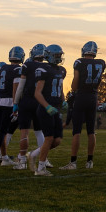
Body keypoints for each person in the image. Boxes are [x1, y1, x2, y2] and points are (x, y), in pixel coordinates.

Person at [64, 41, 106, 170]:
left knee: (76, 131)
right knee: (91, 131)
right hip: (93, 97)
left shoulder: (79, 62)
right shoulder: (101, 63)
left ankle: (73, 162)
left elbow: (74, 86)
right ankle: (89, 161)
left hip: (81, 96)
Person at [29, 44, 66, 176]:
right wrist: (47, 106)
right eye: (57, 55)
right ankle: (40, 169)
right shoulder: (43, 69)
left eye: (60, 55)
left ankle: (33, 154)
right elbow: (37, 93)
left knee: (57, 140)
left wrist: (63, 99)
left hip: (56, 107)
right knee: (49, 138)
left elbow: (60, 88)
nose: (59, 58)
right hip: (46, 107)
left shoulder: (61, 70)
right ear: (49, 55)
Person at [12, 44, 48, 169]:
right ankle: (45, 159)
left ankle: (22, 162)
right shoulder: (48, 66)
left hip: (27, 100)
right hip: (40, 101)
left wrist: (15, 103)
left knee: (24, 132)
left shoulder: (28, 65)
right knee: (39, 132)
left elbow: (20, 86)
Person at [0, 46, 23, 167]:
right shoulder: (18, 69)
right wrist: (15, 104)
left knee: (2, 132)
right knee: (3, 132)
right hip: (9, 102)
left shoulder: (3, 67)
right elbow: (16, 87)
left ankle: (3, 158)